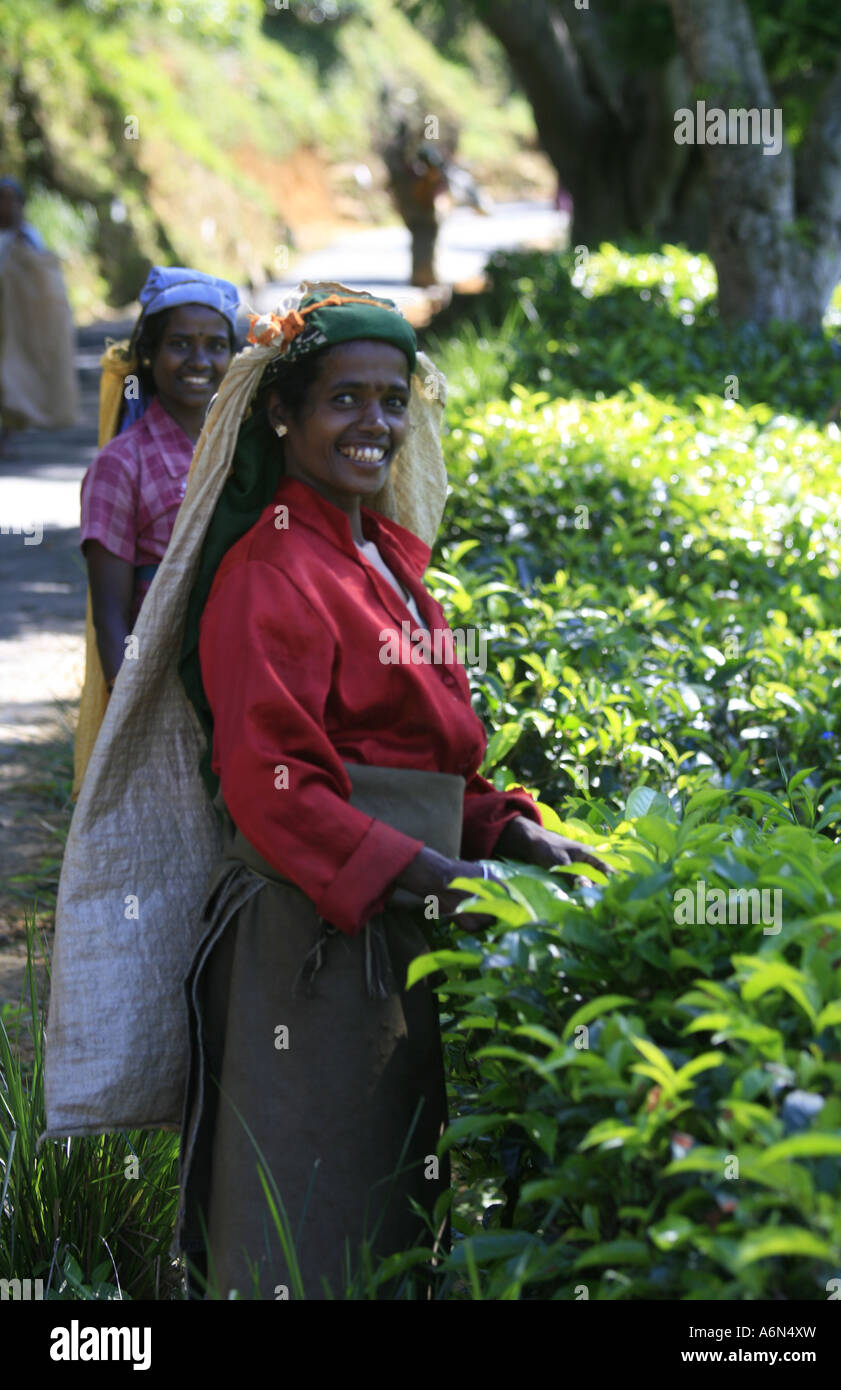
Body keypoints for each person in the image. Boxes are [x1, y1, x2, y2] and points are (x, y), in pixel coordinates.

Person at [172, 287, 609, 1299]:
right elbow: (274, 787)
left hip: (392, 922)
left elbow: (425, 759)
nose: (373, 423)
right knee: (307, 1222)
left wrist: (510, 834)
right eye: (344, 400)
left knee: (387, 1219)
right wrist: (431, 874)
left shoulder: (382, 557)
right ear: (282, 414)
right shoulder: (270, 568)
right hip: (309, 948)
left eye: (390, 400)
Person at [73, 266, 239, 794]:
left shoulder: (245, 454)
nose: (199, 361)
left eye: (216, 345)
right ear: (147, 354)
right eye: (180, 344)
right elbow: (111, 612)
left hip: (241, 683)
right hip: (160, 689)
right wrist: (132, 705)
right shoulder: (121, 464)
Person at [0, 175, 78, 454]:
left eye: (11, 198)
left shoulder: (29, 237)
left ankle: (6, 436)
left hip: (17, 320)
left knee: (12, 373)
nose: (6, 205)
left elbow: (44, 278)